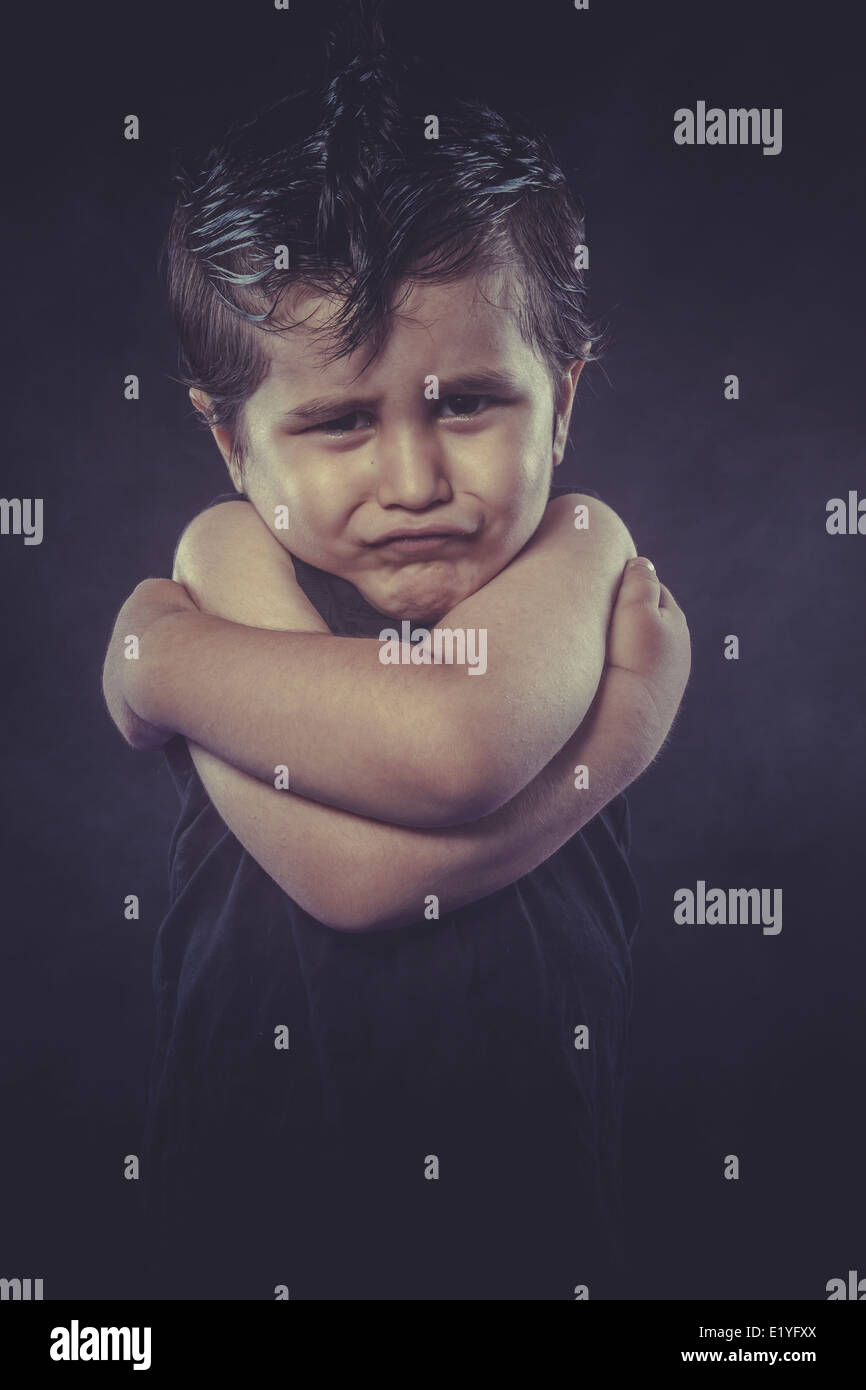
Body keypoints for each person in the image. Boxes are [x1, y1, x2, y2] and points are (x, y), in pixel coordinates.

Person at [101, 5, 691, 1299]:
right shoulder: (230, 558)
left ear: (565, 401)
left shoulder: (577, 551)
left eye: (469, 401)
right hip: (227, 1244)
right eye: (334, 423)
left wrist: (155, 666)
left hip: (528, 1241)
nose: (413, 477)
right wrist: (617, 734)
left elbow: (449, 746)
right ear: (233, 446)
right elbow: (353, 874)